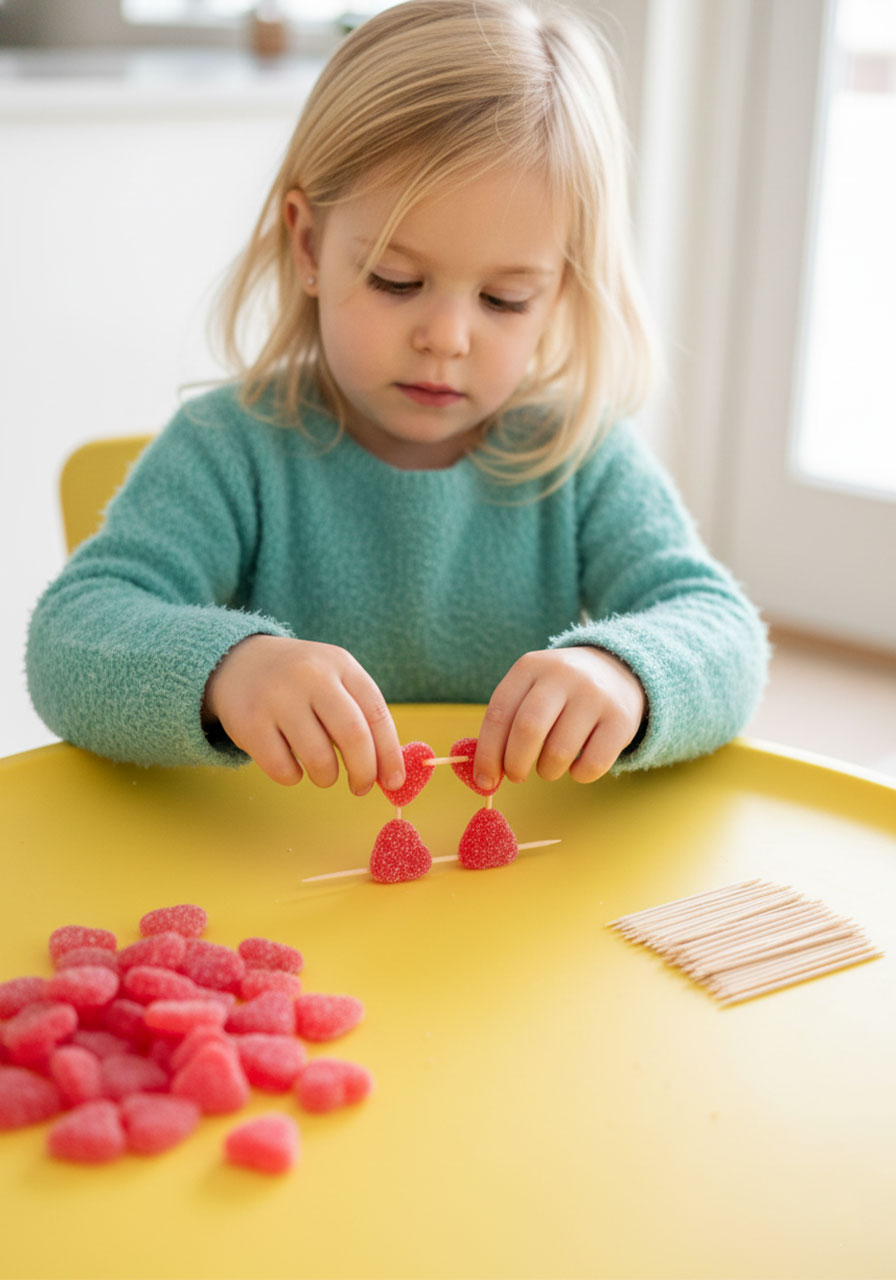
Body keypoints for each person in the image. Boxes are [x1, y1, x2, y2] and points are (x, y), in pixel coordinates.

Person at [26, 0, 767, 800]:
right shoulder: (229, 447)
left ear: (560, 292)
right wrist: (227, 669)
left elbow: (723, 631)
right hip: (275, 876)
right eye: (397, 281)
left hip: (507, 881)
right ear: (308, 244)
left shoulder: (581, 455)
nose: (446, 337)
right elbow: (69, 636)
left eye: (506, 298)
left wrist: (625, 675)